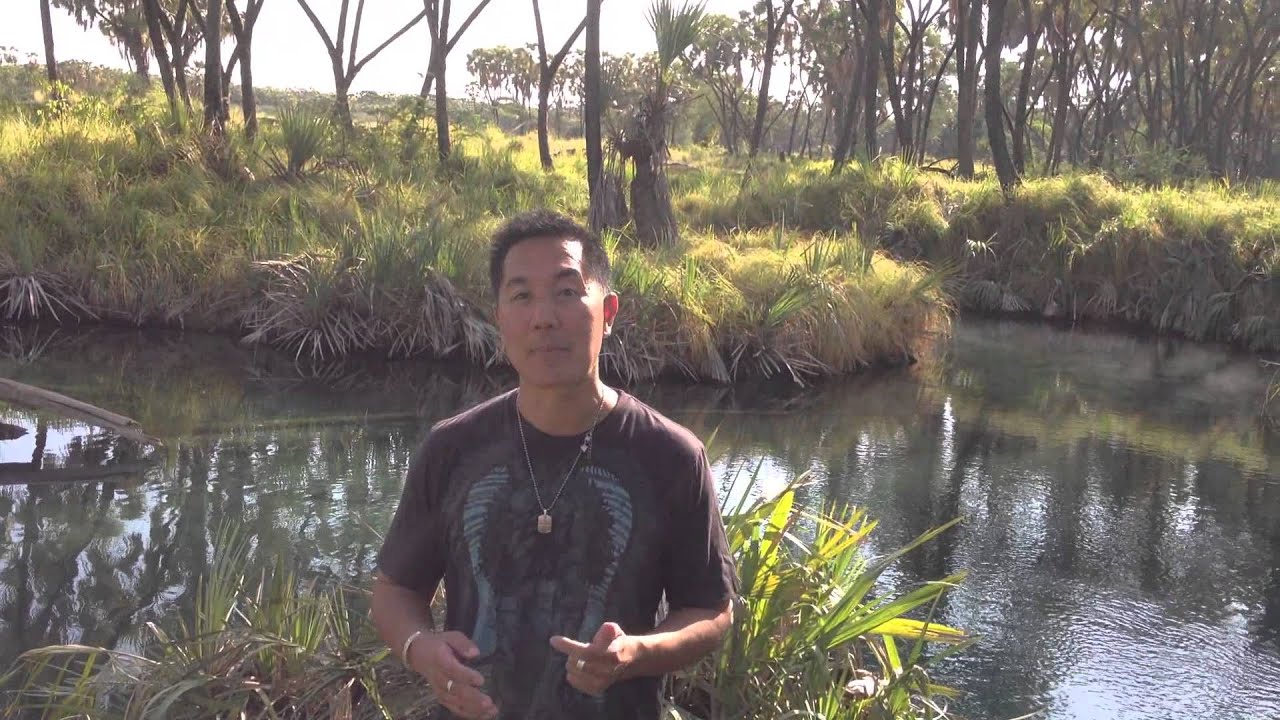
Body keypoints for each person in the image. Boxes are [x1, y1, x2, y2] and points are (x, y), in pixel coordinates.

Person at [371, 210, 739, 720]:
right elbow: (395, 589)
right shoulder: (452, 448)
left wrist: (637, 653)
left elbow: (711, 611)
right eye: (522, 296)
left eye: (567, 292)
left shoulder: (672, 456)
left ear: (608, 312)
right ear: (499, 317)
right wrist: (420, 647)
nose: (543, 317)